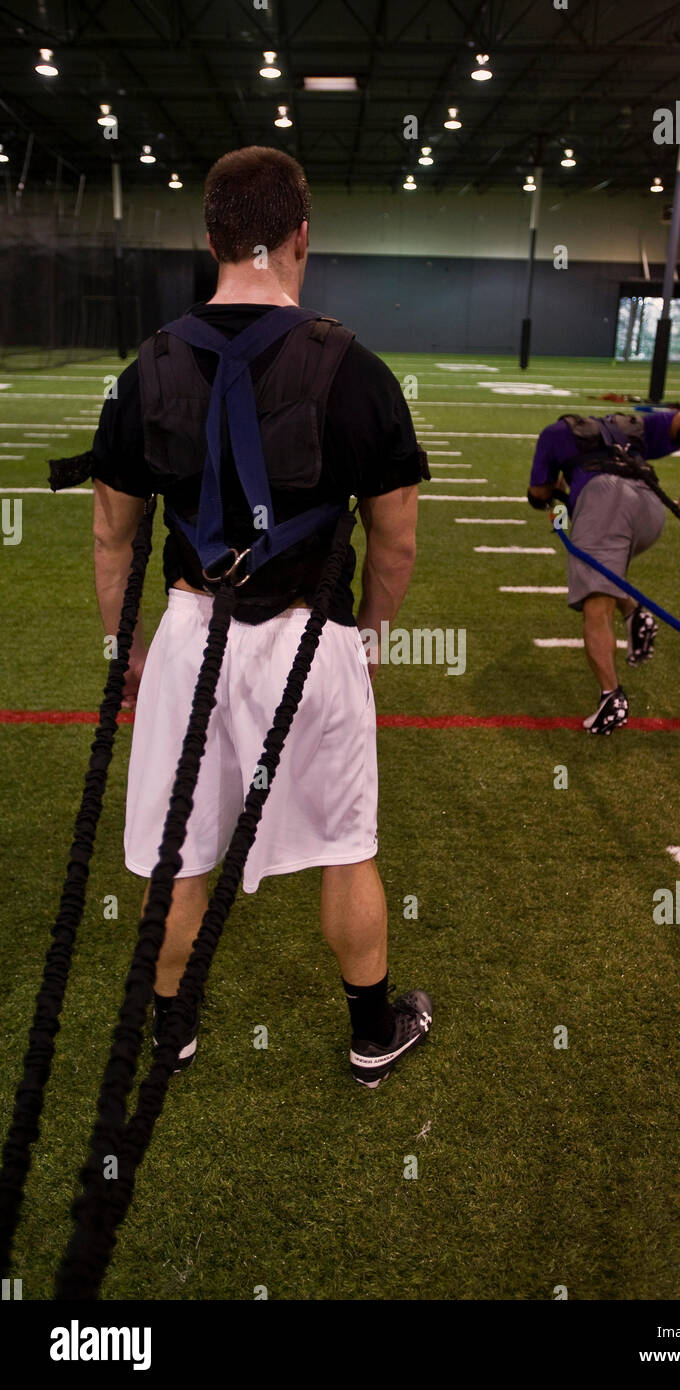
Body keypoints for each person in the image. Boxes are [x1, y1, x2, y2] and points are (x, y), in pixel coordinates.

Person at [89, 146, 433, 1090]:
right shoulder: (357, 369)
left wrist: (127, 650)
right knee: (346, 845)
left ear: (209, 240)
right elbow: (395, 542)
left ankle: (172, 1031)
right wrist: (364, 639)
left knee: (179, 852)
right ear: (301, 239)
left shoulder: (144, 368)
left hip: (188, 635)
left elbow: (112, 542)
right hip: (310, 638)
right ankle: (371, 1031)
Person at [527, 410, 680, 734]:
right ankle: (634, 612)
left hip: (604, 500)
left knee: (595, 601)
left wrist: (558, 492)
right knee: (602, 576)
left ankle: (612, 698)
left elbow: (538, 493)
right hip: (651, 510)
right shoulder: (632, 423)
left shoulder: (553, 433)